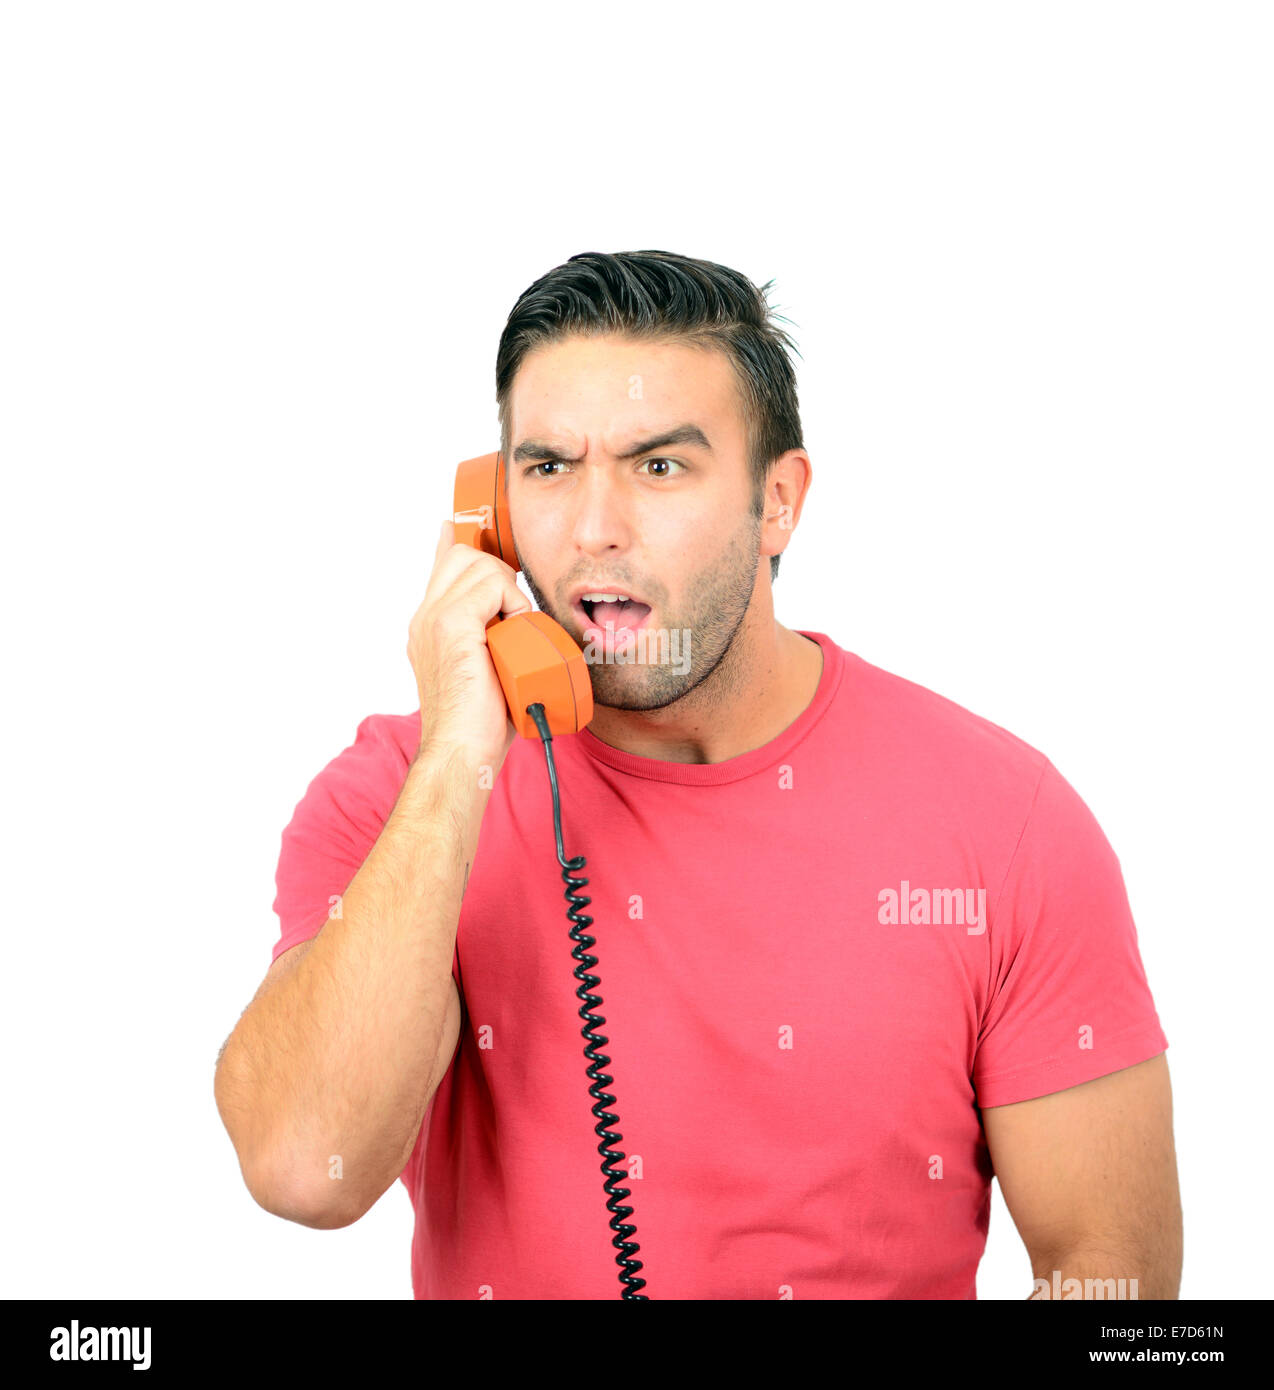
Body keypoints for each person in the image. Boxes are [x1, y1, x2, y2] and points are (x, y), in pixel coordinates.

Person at [214, 250, 1180, 1300]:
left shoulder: (1005, 823)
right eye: (546, 468)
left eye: (657, 466)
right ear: (485, 511)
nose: (592, 529)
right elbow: (307, 1168)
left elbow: (1111, 1278)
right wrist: (457, 756)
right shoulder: (394, 794)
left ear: (777, 502)